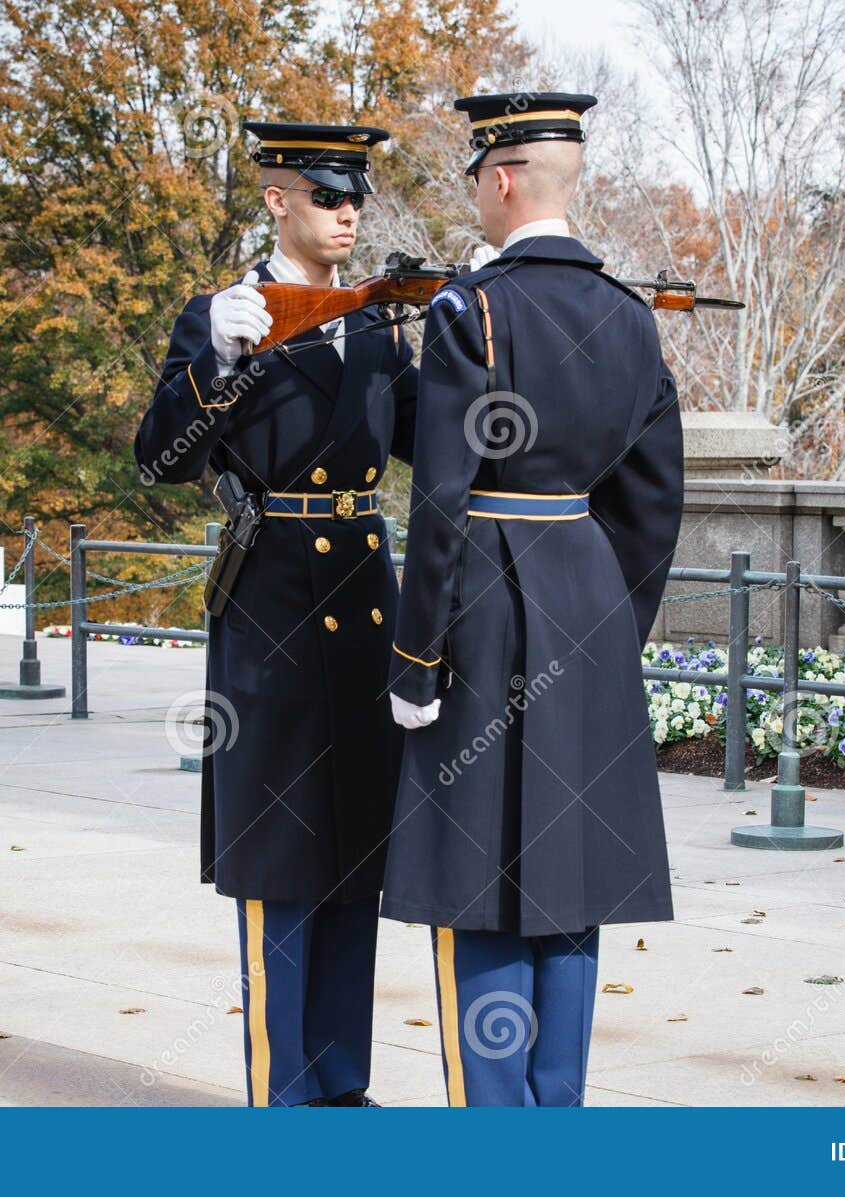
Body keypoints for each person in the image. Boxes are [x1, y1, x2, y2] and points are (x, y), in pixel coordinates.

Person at [382, 92, 685, 1106]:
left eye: (478, 175)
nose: (477, 190)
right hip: (587, 595)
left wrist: (415, 658)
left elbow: (439, 496)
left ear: (504, 179)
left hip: (482, 598)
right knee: (570, 879)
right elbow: (653, 502)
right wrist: (613, 626)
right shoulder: (632, 317)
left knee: (473, 880)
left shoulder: (471, 311)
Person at [135, 120, 418, 1107]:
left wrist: (486, 340)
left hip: (366, 605)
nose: (348, 214)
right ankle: (282, 1102)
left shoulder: (374, 324)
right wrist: (216, 366)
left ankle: (342, 1089)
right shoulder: (219, 316)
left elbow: (438, 434)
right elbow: (161, 460)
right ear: (276, 200)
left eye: (356, 199)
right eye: (328, 196)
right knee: (280, 859)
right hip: (273, 612)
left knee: (355, 856)